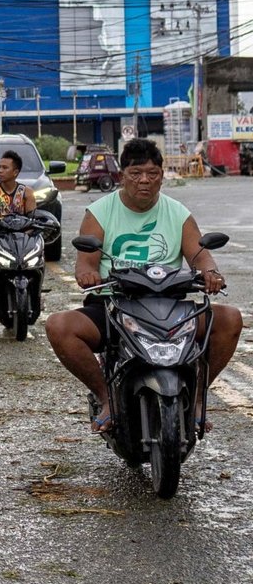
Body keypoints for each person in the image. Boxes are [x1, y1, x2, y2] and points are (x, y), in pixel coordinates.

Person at [46, 138, 242, 434]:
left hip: (171, 305)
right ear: (122, 176)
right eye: (136, 174)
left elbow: (201, 255)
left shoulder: (177, 212)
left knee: (230, 318)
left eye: (152, 174)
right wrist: (88, 274)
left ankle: (200, 396)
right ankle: (106, 397)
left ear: (162, 176)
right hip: (113, 305)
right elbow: (86, 262)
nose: (144, 181)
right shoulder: (100, 211)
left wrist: (210, 273)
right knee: (59, 326)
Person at [0, 149, 36, 314]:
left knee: (38, 254)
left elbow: (33, 217)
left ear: (15, 172)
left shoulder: (27, 193)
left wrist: (32, 230)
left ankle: (36, 290)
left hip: (22, 236)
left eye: (4, 168)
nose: (0, 171)